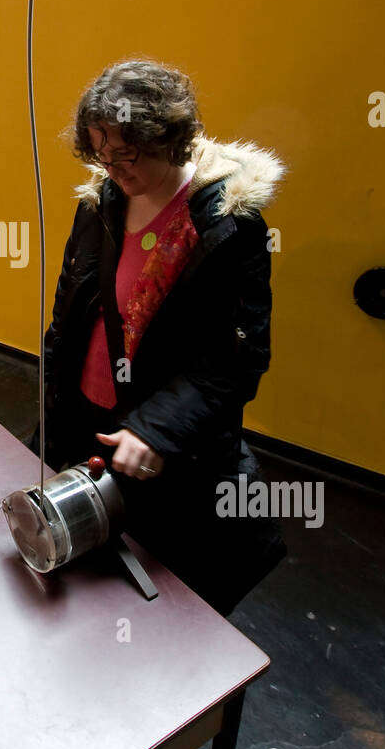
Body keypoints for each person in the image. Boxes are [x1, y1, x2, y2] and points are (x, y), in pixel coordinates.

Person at [40, 58, 288, 616]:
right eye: (101, 153)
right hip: (87, 419)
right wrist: (52, 409)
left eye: (128, 154)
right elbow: (69, 316)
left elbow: (236, 359)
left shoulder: (228, 226)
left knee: (162, 606)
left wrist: (154, 429)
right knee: (79, 589)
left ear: (171, 138)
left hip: (167, 449)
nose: (113, 167)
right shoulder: (100, 202)